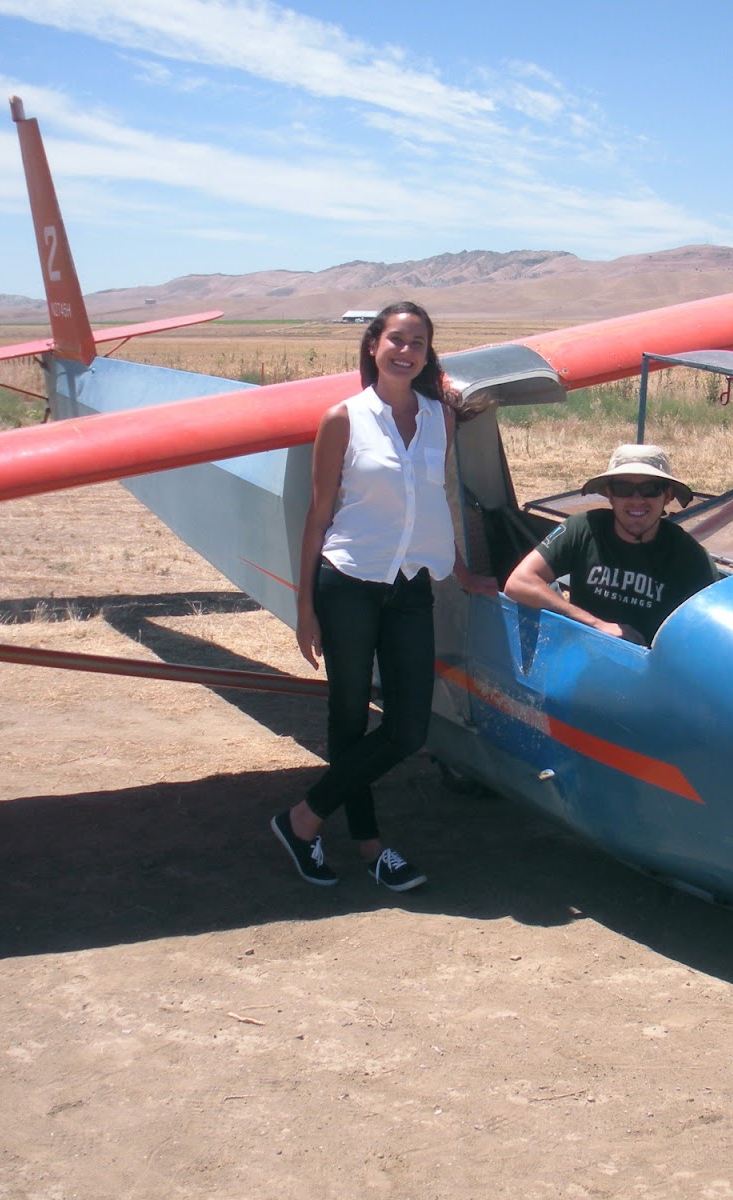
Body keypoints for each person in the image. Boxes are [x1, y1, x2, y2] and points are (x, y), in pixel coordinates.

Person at [270, 301, 497, 892]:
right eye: (396, 339)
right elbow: (318, 515)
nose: (406, 350)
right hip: (347, 582)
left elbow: (439, 500)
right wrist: (304, 610)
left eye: (418, 342)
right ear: (373, 346)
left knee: (407, 728)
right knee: (347, 719)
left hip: (410, 586)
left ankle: (301, 820)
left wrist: (465, 571)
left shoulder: (438, 417)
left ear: (427, 354)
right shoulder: (342, 418)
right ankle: (370, 847)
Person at [503, 444, 717, 646]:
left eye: (650, 488)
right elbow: (518, 583)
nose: (636, 499)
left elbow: (713, 625)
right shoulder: (584, 528)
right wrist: (596, 625)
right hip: (584, 652)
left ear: (667, 496)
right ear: (609, 494)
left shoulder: (688, 554)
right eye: (623, 488)